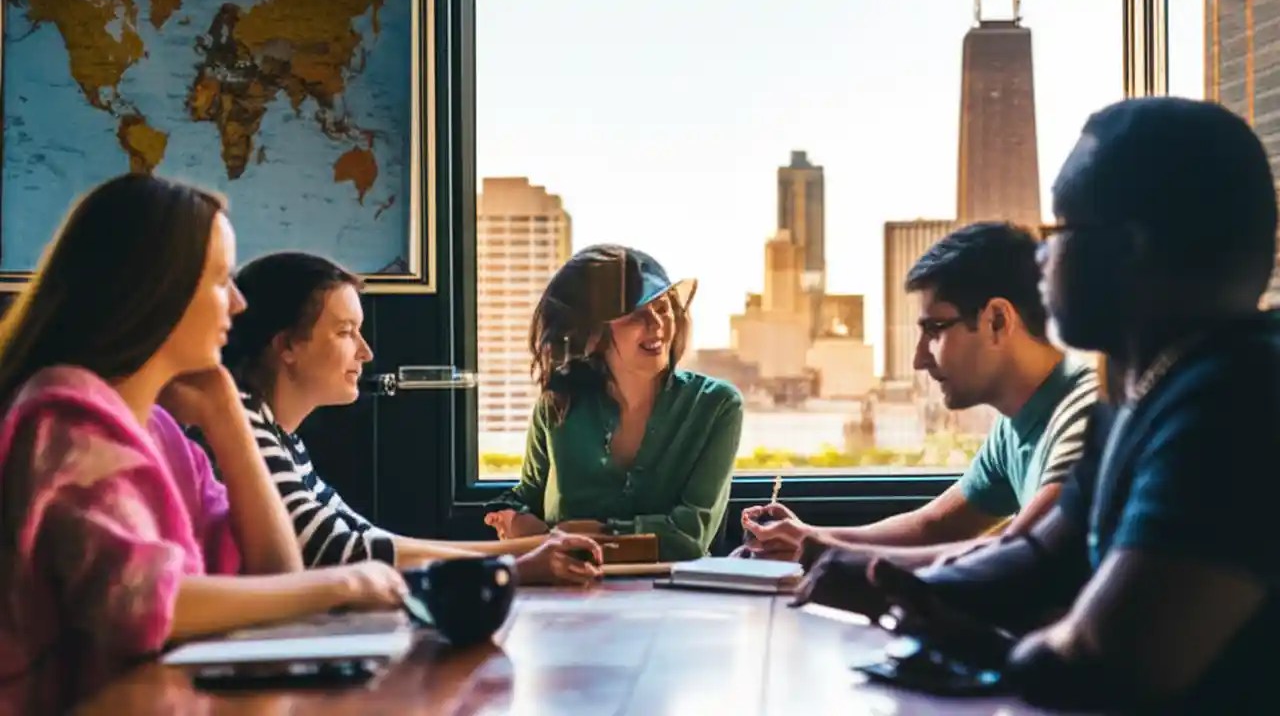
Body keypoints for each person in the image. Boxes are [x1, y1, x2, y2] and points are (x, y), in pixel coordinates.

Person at [797, 97, 1280, 713]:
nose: (1041, 259)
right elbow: (1043, 554)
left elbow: (1113, 658)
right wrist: (882, 578)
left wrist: (980, 647)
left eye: (1061, 231)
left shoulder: (1238, 399)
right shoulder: (1139, 390)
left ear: (1130, 249)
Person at [0, 175, 406, 712]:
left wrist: (228, 419)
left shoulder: (164, 436)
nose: (237, 305)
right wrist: (345, 585)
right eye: (220, 281)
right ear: (156, 291)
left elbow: (276, 577)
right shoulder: (66, 425)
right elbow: (141, 602)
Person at [221, 251, 603, 585]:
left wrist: (535, 546)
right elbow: (341, 552)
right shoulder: (242, 426)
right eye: (345, 332)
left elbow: (370, 538)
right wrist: (514, 564)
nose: (366, 352)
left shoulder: (280, 438)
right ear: (287, 346)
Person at [743, 223, 1097, 566]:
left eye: (935, 330)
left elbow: (1016, 552)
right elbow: (934, 526)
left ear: (997, 322)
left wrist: (826, 553)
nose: (919, 358)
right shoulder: (1014, 426)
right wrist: (806, 537)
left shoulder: (1086, 414)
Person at [482, 245, 744, 561]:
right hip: (564, 596)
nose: (658, 325)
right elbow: (523, 501)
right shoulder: (555, 407)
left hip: (674, 601)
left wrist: (570, 536)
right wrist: (516, 518)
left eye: (663, 308)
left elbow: (688, 539)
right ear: (590, 332)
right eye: (636, 315)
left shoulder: (716, 406)